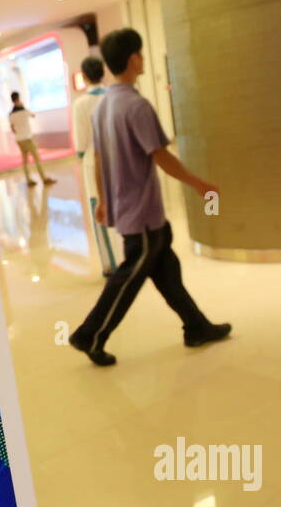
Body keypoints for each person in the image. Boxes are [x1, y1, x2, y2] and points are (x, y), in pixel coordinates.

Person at [69, 28, 231, 366]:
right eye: (141, 54)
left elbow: (97, 157)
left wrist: (102, 201)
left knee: (167, 270)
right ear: (132, 59)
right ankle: (90, 334)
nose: (143, 59)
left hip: (137, 212)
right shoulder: (137, 106)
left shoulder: (103, 107)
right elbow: (161, 156)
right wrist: (199, 184)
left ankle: (196, 326)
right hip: (141, 214)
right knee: (127, 279)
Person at [72, 56, 118, 276]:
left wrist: (80, 155)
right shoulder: (114, 96)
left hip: (93, 163)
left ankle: (110, 264)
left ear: (86, 76)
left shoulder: (81, 104)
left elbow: (81, 140)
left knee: (99, 209)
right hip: (119, 159)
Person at [8, 91, 56, 187]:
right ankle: (44, 178)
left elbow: (12, 129)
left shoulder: (11, 114)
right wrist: (24, 106)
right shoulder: (24, 111)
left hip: (19, 139)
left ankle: (29, 180)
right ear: (18, 98)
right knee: (37, 158)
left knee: (25, 160)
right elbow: (33, 115)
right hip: (27, 138)